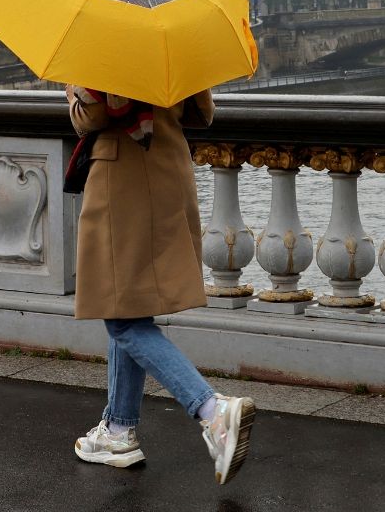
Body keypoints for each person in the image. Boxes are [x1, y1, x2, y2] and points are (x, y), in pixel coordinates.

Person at [66, 84, 255, 485]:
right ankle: (118, 430)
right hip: (169, 169)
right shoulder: (167, 53)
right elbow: (201, 113)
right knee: (126, 306)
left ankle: (213, 411)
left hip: (123, 181)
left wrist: (72, 94)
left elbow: (93, 116)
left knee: (121, 318)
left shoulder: (107, 54)